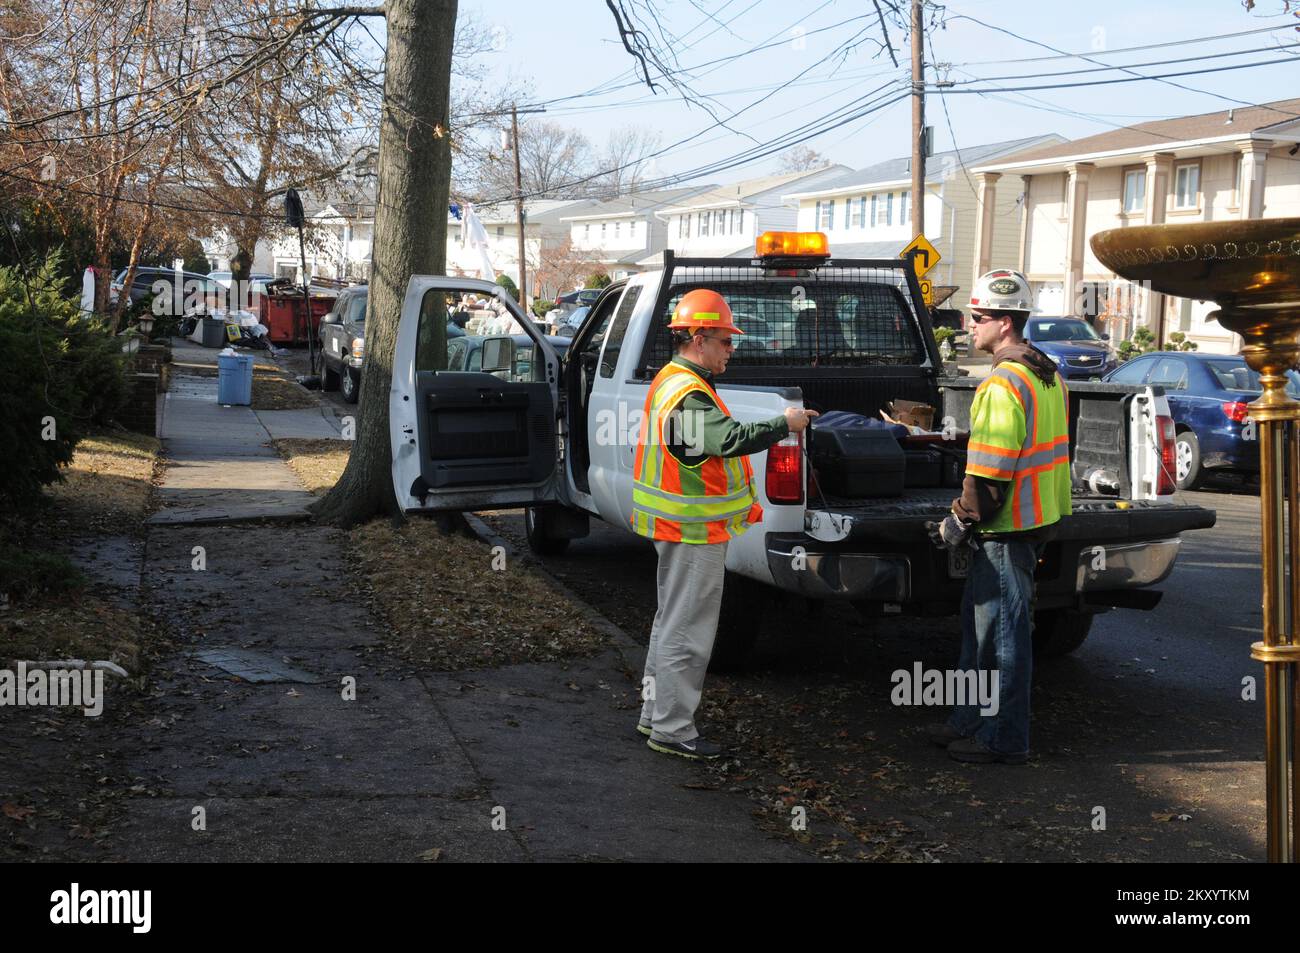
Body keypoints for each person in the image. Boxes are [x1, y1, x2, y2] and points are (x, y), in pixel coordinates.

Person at [631, 288, 817, 760]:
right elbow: (727, 439)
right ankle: (672, 730)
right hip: (693, 532)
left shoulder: (676, 380)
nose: (732, 349)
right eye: (724, 340)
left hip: (681, 528)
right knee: (688, 631)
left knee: (670, 622)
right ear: (698, 338)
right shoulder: (687, 392)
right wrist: (785, 423)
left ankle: (655, 717)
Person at [925, 269, 1071, 765]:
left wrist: (960, 519)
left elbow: (990, 472)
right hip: (1034, 521)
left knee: (1004, 639)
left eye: (980, 317)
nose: (970, 324)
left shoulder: (1003, 384)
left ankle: (1004, 738)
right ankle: (967, 720)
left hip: (1006, 528)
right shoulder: (1047, 374)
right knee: (981, 632)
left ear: (1005, 324)